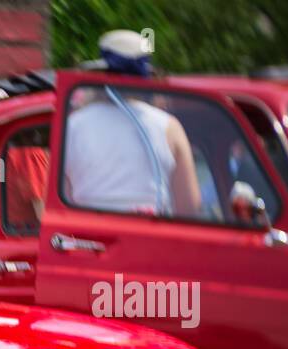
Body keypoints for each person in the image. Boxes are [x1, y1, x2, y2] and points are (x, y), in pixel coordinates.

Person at [63, 30, 200, 218]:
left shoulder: (72, 125)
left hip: (88, 237)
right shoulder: (170, 127)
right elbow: (190, 208)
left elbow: (63, 198)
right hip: (152, 240)